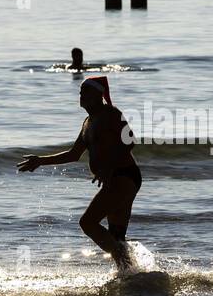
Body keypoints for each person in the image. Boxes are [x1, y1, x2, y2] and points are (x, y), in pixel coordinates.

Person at [18, 76, 140, 269]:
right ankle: (131, 276)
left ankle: (127, 269)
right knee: (116, 235)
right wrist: (40, 161)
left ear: (99, 95)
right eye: (80, 92)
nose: (81, 95)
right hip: (114, 179)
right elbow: (73, 154)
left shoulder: (111, 113)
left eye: (86, 91)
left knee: (88, 223)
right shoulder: (88, 122)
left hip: (123, 175)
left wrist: (108, 167)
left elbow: (130, 141)